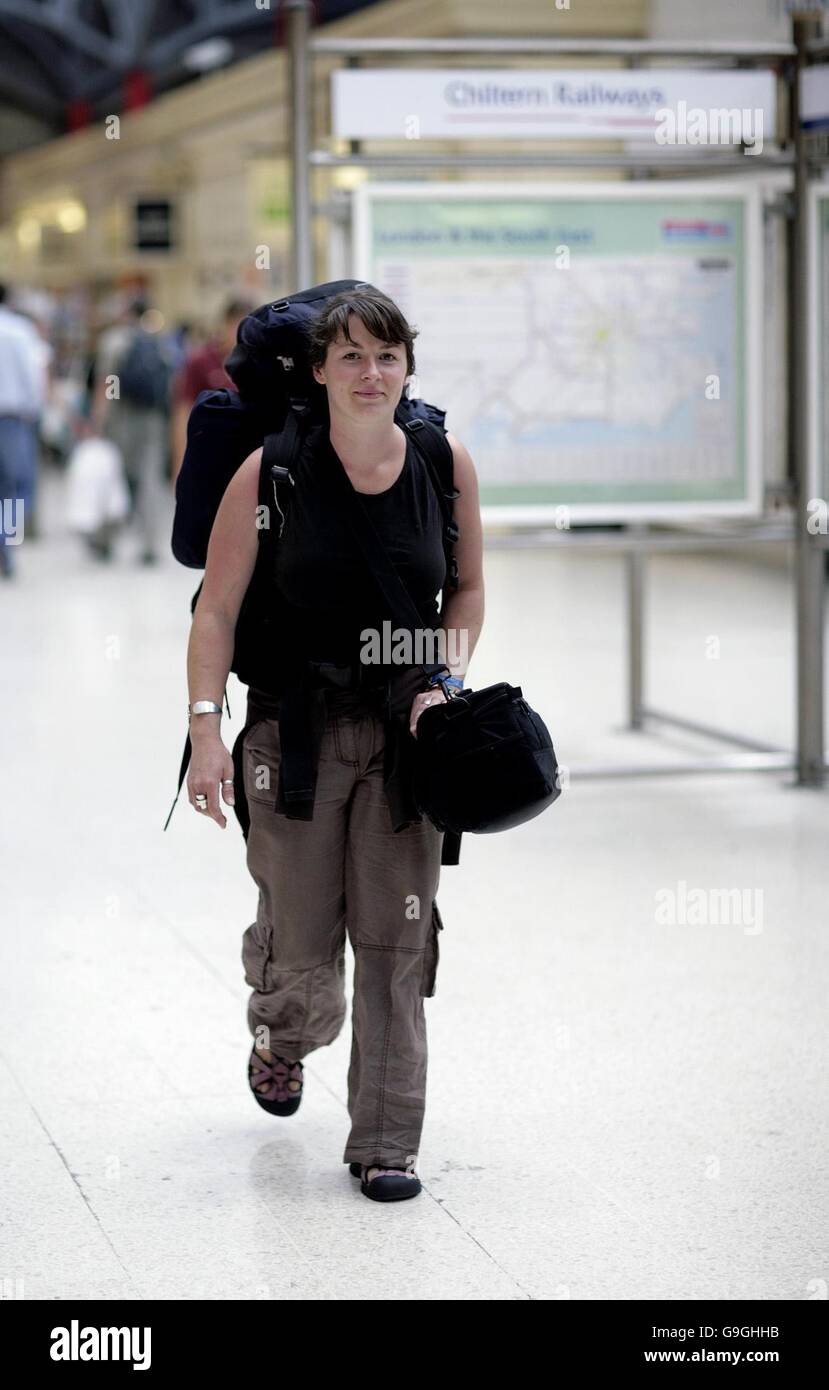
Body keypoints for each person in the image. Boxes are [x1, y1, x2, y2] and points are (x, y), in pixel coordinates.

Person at [184, 286, 485, 1202]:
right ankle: (283, 1034)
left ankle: (385, 1142)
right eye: (349, 356)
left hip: (404, 739)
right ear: (317, 370)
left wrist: (442, 678)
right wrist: (207, 729)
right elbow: (217, 610)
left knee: (395, 941)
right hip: (293, 740)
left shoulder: (440, 459)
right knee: (305, 942)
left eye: (386, 356)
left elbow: (465, 589)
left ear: (407, 368)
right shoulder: (270, 473)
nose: (370, 373)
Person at [91, 296, 174, 565]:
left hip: (122, 419)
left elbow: (108, 383)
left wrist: (98, 419)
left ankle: (105, 538)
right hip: (153, 420)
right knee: (149, 479)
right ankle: (150, 544)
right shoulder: (159, 341)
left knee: (117, 478)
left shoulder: (114, 340)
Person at [170, 297, 253, 484]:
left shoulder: (257, 364)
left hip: (245, 461)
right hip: (207, 458)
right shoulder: (200, 361)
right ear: (225, 324)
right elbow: (182, 414)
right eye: (237, 327)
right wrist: (179, 467)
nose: (242, 335)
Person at [0, 284, 49, 578]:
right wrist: (35, 410)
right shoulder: (18, 331)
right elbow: (33, 376)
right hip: (13, 419)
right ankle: (7, 545)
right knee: (16, 489)